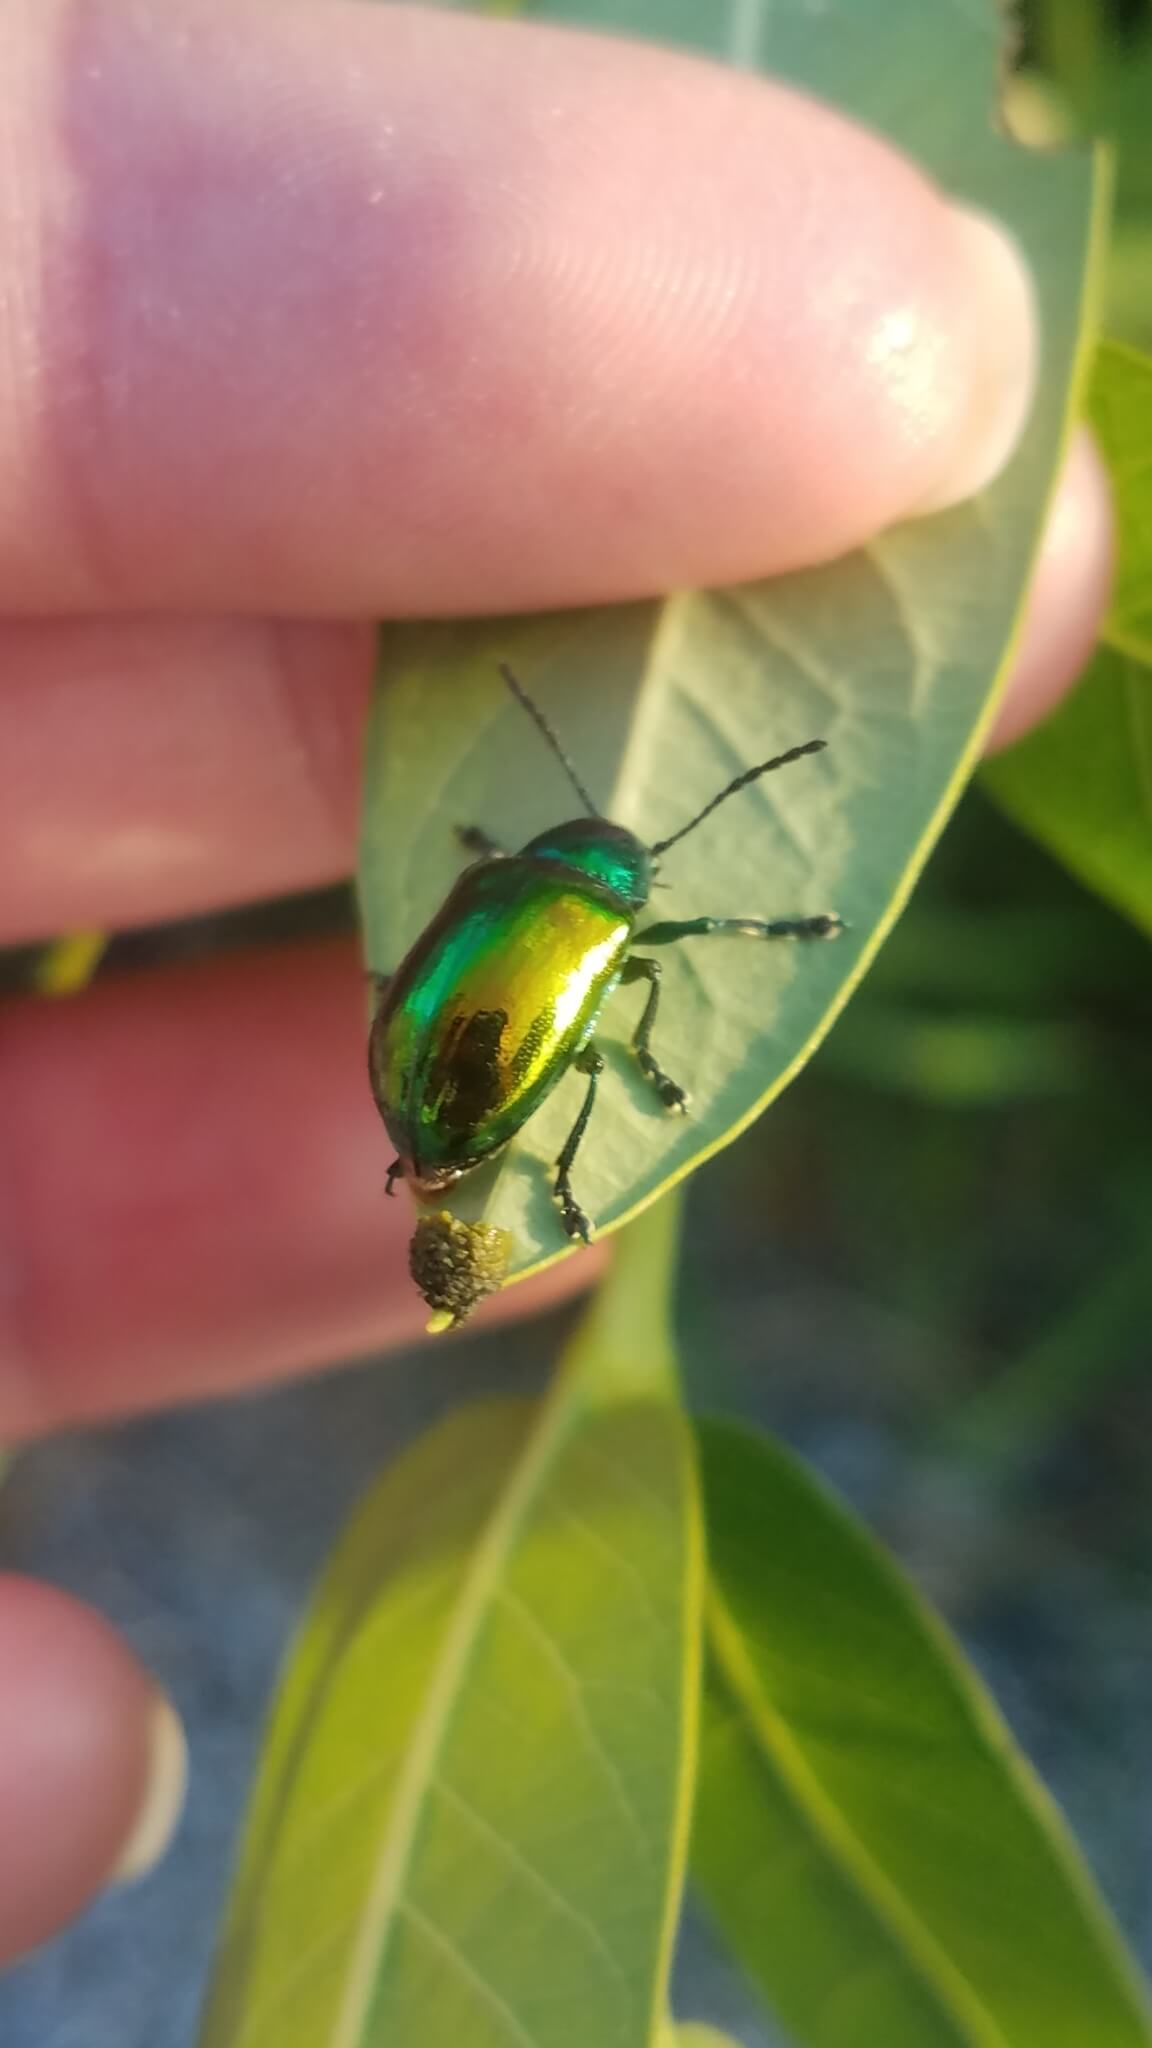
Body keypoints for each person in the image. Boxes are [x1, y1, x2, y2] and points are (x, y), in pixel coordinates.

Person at [0, 0, 1113, 1963]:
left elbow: (523, 966)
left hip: (432, 1053)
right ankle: (600, 1140)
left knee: (559, 1052)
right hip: (445, 1064)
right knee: (604, 1061)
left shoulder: (545, 887)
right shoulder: (598, 914)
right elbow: (582, 999)